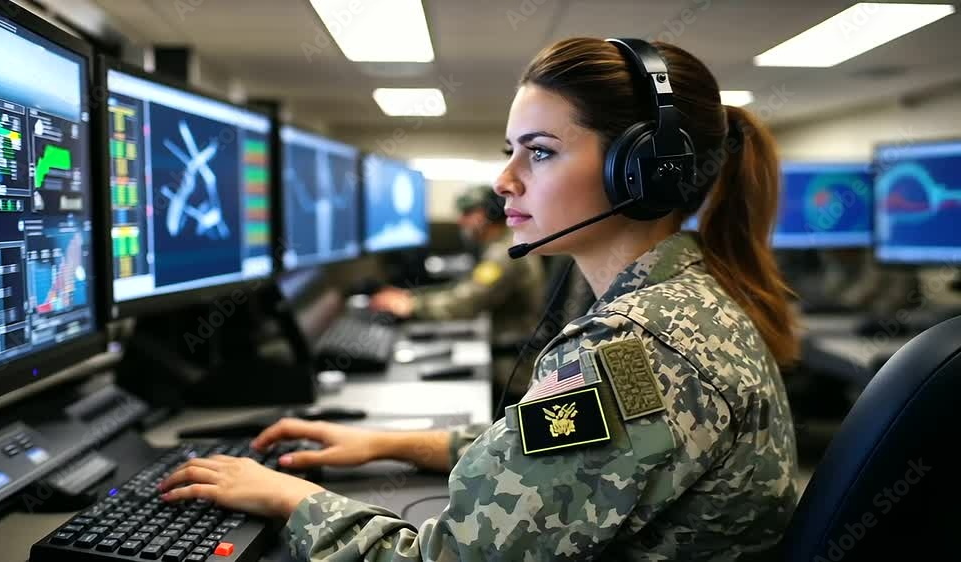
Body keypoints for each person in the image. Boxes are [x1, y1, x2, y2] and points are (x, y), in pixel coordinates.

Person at [158, 37, 800, 560]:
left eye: (540, 153)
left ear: (642, 174)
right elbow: (558, 438)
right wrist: (387, 443)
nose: (503, 181)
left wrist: (287, 498)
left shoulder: (636, 351)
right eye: (509, 152)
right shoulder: (681, 306)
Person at [369, 183, 547, 403]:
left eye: (468, 213)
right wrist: (412, 297)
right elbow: (465, 288)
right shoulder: (501, 245)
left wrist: (411, 306)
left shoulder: (505, 254)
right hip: (509, 356)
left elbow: (466, 303)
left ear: (491, 212)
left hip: (512, 370)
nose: (461, 221)